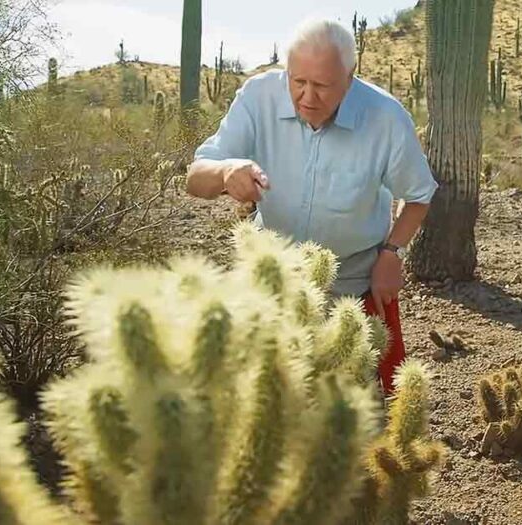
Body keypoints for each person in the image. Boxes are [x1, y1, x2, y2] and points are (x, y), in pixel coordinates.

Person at [185, 18, 437, 395]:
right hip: (271, 283)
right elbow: (195, 177)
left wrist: (392, 253)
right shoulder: (257, 97)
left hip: (351, 288)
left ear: (350, 77)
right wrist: (225, 171)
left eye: (321, 86)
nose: (307, 97)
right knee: (266, 400)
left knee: (349, 407)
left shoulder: (385, 117)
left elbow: (419, 194)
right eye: (297, 81)